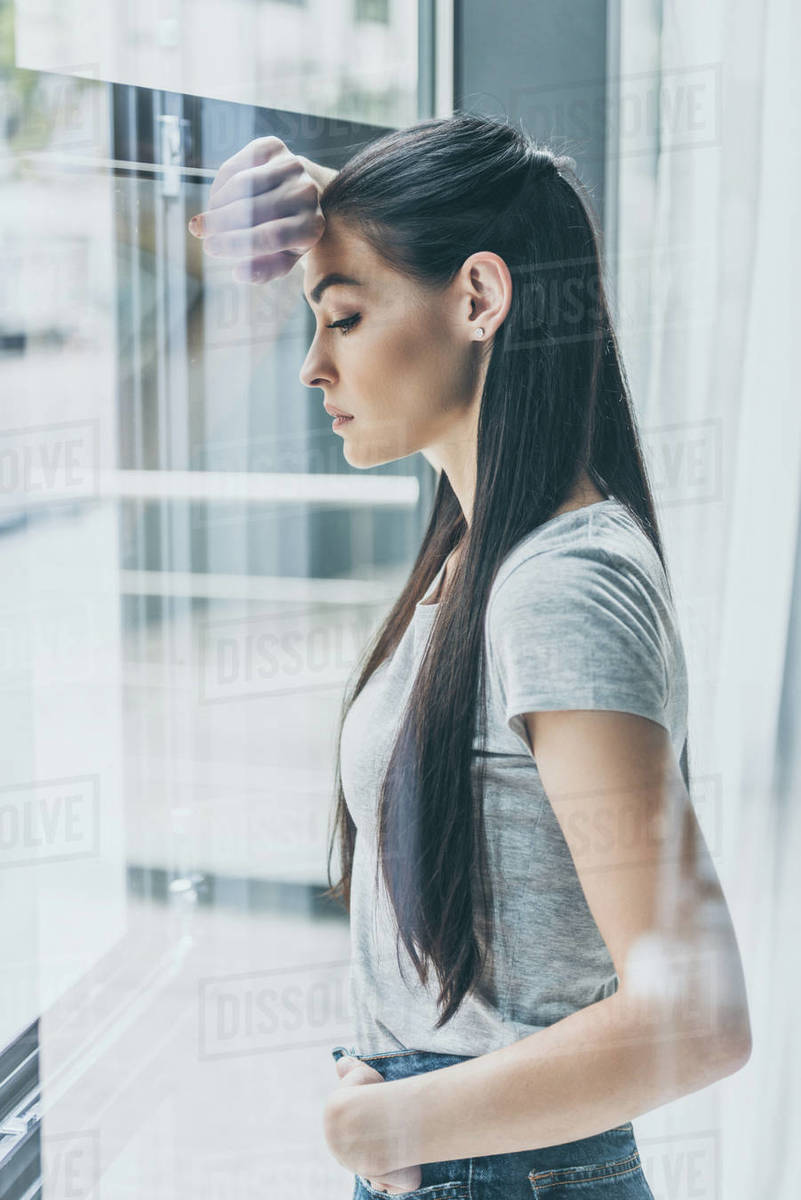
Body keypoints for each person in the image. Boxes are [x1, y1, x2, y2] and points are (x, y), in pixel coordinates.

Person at [188, 114, 752, 1198]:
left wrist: (386, 1123)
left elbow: (700, 1013)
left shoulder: (558, 587)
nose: (313, 365)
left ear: (480, 299)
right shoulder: (483, 559)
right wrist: (342, 203)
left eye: (343, 318)